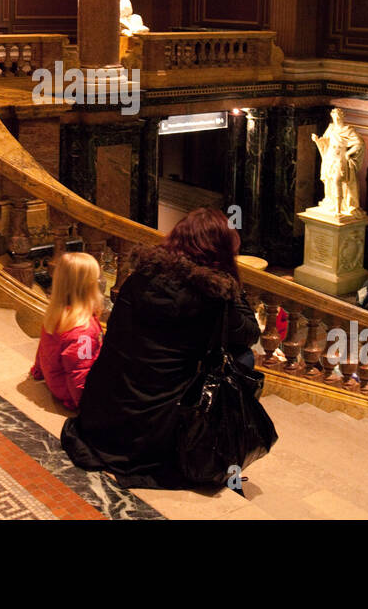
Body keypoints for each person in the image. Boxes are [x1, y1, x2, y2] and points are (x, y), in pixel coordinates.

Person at [60, 207, 261, 490]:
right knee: (244, 357)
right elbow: (250, 333)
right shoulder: (210, 296)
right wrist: (232, 283)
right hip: (150, 431)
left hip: (102, 412)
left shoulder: (140, 276)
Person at [29, 252, 103, 411]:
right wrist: (84, 407)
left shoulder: (57, 313)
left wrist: (38, 370)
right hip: (69, 391)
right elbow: (80, 372)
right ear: (89, 286)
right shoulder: (83, 330)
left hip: (54, 379)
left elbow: (44, 348)